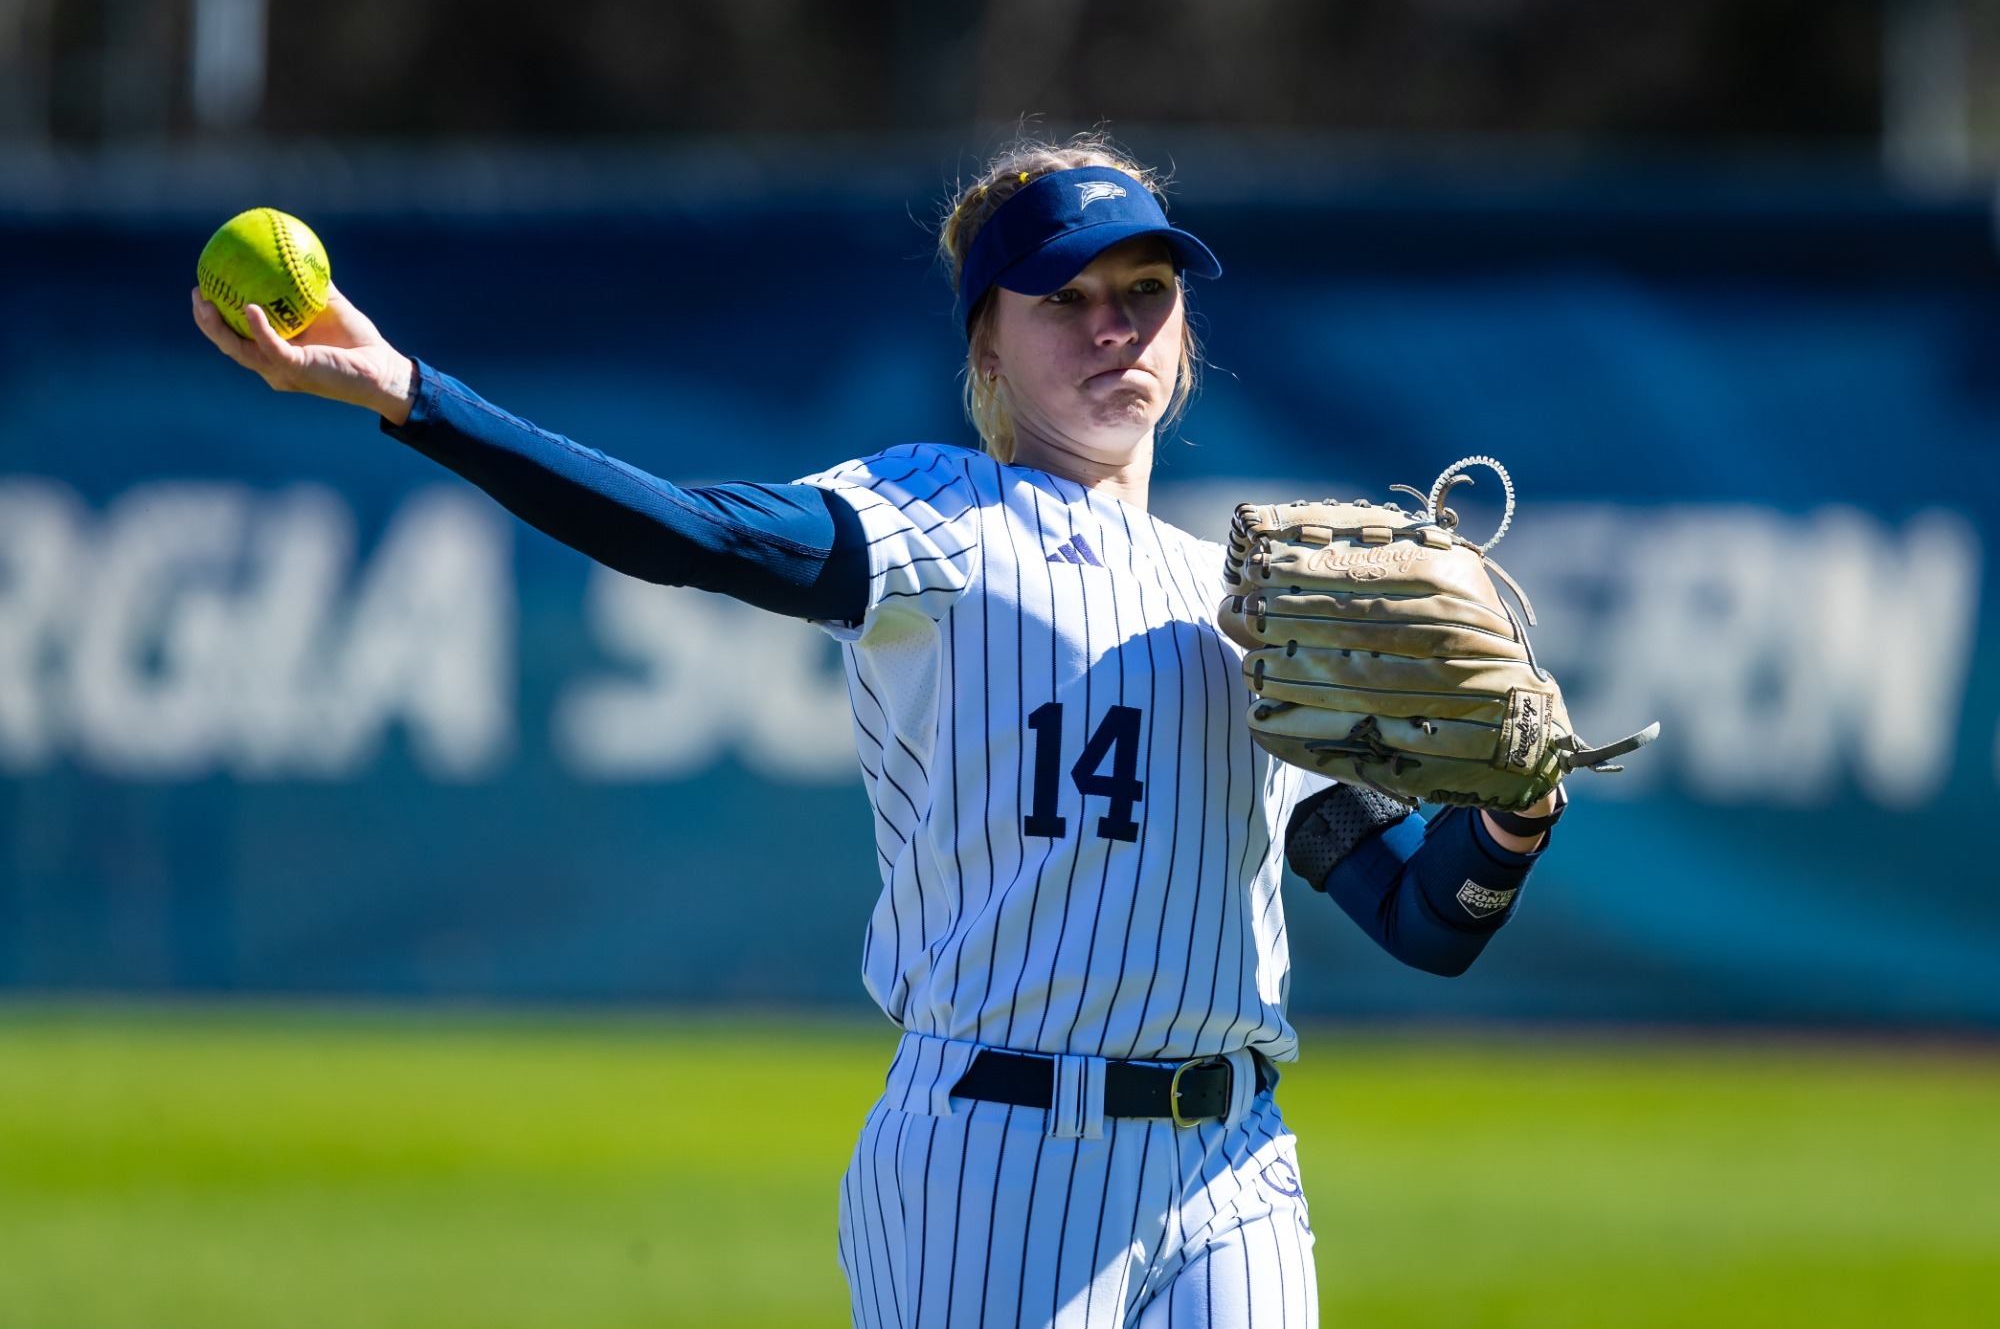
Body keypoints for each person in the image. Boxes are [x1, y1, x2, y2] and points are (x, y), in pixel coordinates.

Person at [192, 134, 1559, 1329]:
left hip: (1235, 1163)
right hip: (1001, 1164)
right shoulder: (940, 523)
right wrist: (413, 396)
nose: (1111, 327)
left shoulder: (1252, 608)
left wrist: (1514, 814)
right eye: (1064, 299)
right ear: (987, 342)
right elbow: (695, 533)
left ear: (1186, 329)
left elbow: (1419, 918)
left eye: (1144, 294)